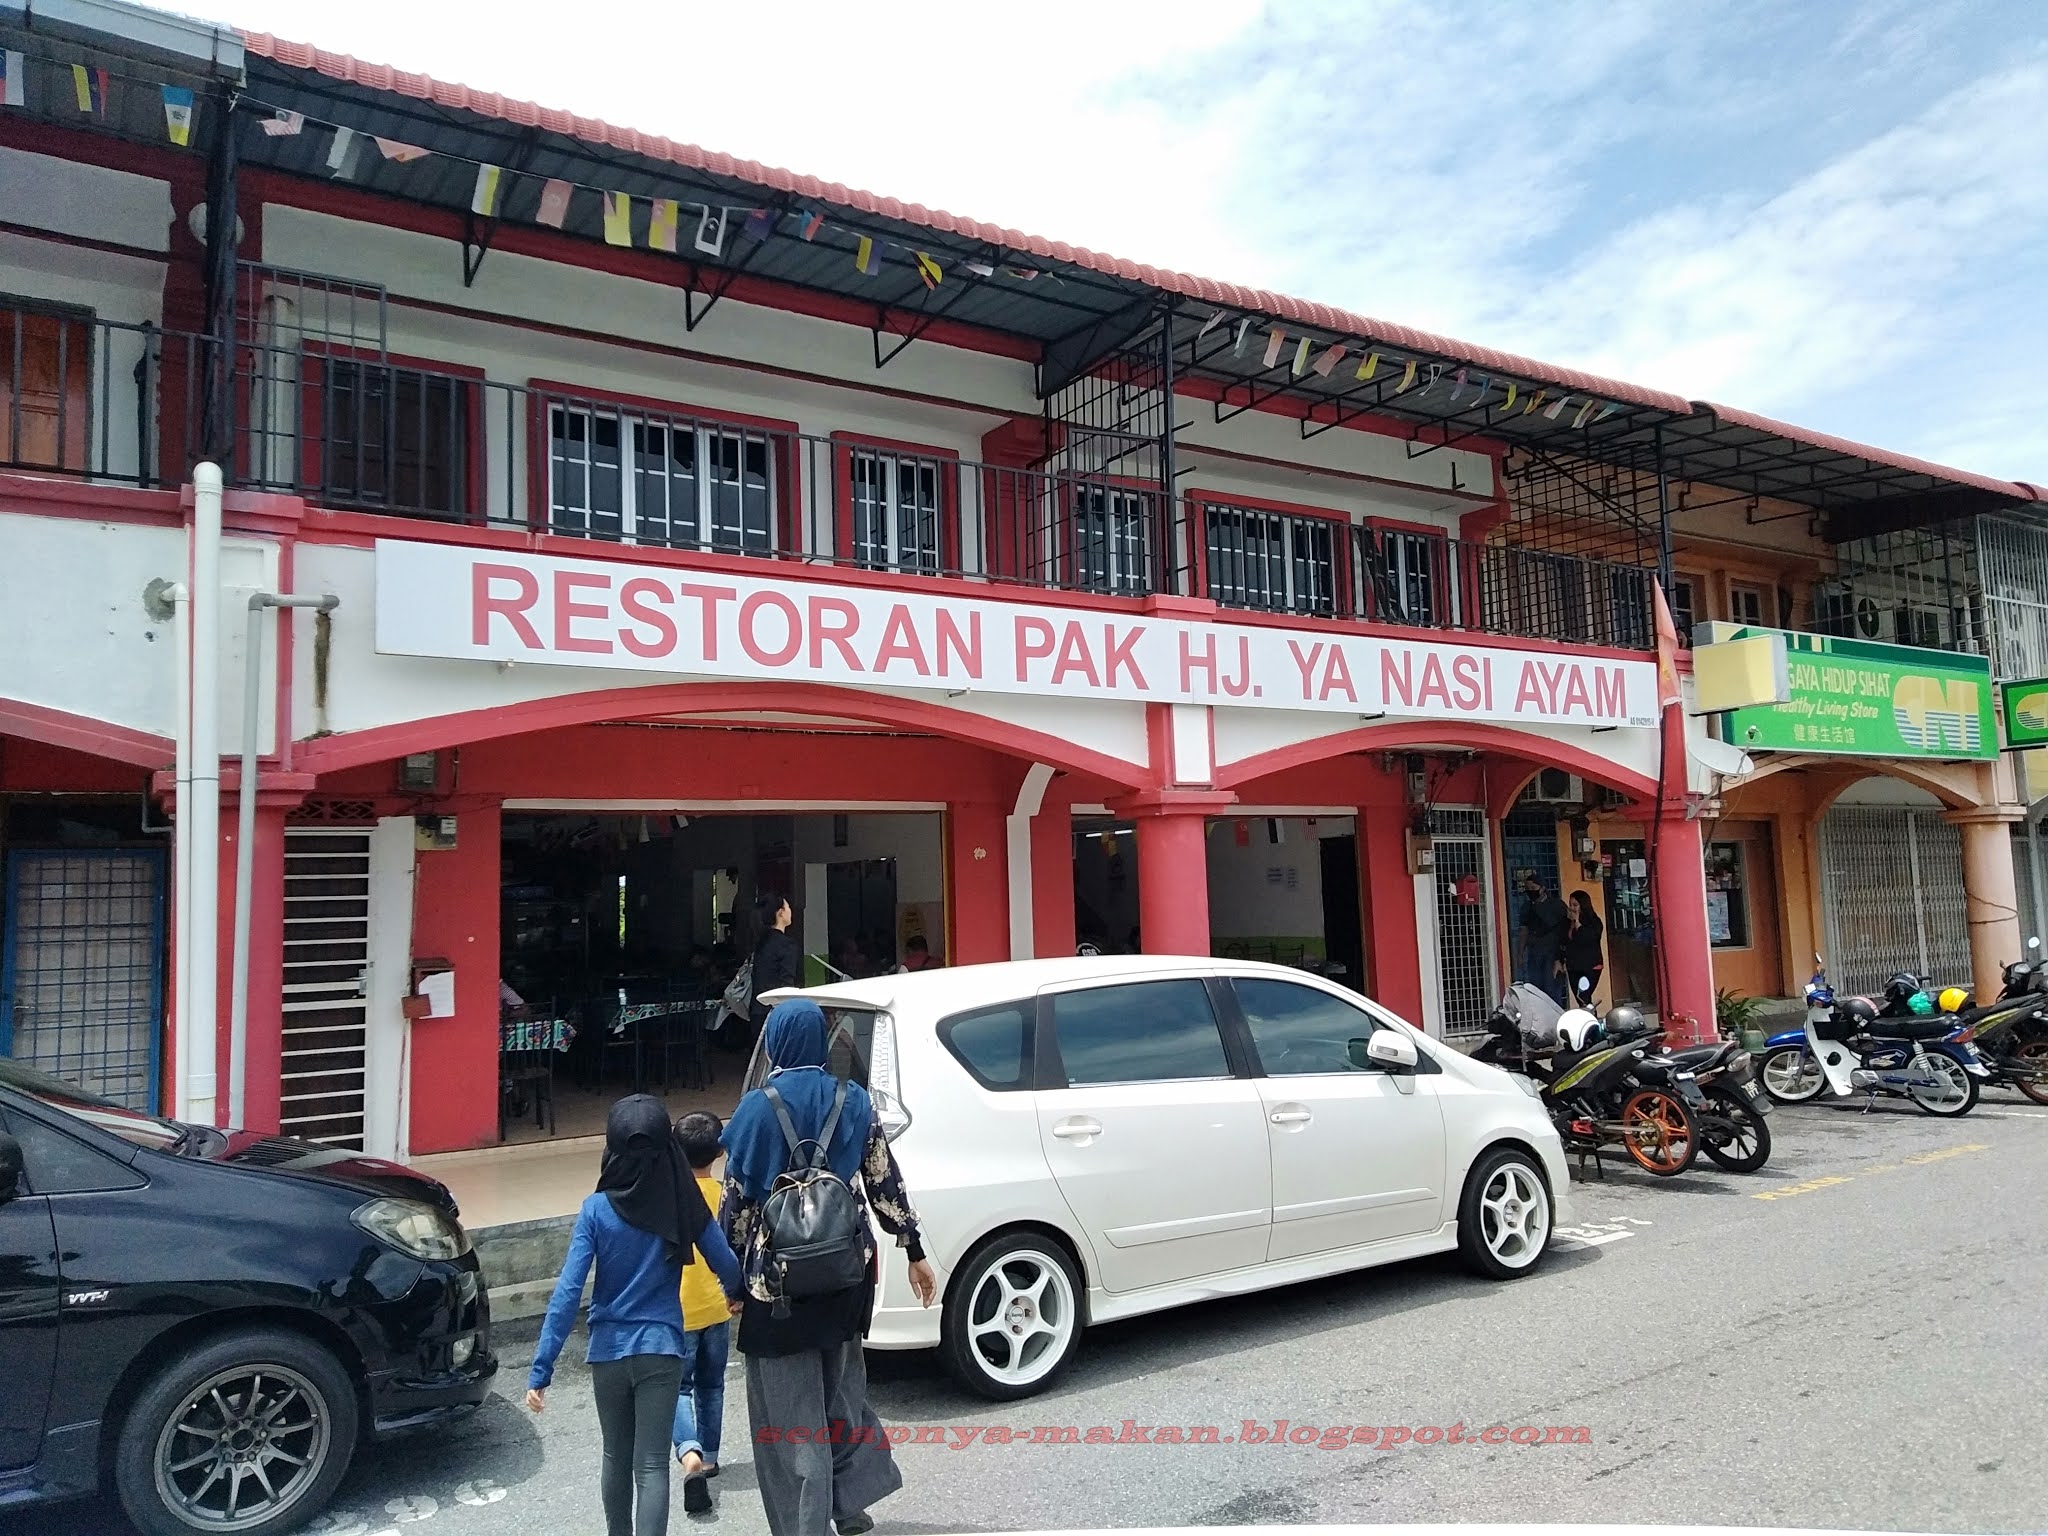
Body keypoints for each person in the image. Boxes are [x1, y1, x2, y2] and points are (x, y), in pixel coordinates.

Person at [720, 1000, 938, 1536]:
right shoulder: (855, 1100)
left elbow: (738, 1210)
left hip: (778, 1291)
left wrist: (734, 1284)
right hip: (847, 1275)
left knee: (790, 1422)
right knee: (842, 1394)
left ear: (775, 1043)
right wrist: (913, 1249)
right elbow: (885, 1182)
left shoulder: (753, 1110)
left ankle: (805, 1527)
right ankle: (850, 1506)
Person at [527, 1096, 745, 1536]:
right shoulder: (683, 1202)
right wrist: (736, 1294)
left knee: (615, 1457)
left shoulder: (596, 1209)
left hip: (607, 1353)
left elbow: (569, 1291)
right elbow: (725, 1262)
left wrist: (541, 1369)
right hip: (663, 1350)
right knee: (650, 1466)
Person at [671, 1111, 733, 1513]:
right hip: (718, 1307)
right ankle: (709, 1457)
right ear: (720, 1151)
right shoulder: (725, 1194)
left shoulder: (668, 1199)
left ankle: (689, 1452)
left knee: (679, 1389)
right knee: (713, 1386)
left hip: (677, 1311)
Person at [747, 892, 802, 1039]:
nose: (791, 911)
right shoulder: (787, 945)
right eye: (788, 907)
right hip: (778, 1014)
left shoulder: (760, 943)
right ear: (781, 913)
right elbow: (787, 984)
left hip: (757, 1011)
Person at [1518, 877, 1572, 1005]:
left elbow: (1566, 930)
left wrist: (1563, 957)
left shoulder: (1557, 905)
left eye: (1533, 888)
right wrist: (1520, 953)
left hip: (1553, 954)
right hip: (1534, 953)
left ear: (1542, 889)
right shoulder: (1527, 907)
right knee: (1535, 990)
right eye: (1527, 889)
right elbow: (1523, 931)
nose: (1530, 891)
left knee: (1552, 989)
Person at [1563, 890, 1606, 1007]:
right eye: (1570, 905)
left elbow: (1587, 938)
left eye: (1575, 905)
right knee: (1580, 998)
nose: (1572, 908)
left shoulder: (1594, 922)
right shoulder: (1567, 922)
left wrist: (1577, 922)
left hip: (1590, 966)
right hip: (1573, 966)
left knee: (1584, 996)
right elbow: (1563, 941)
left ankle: (1591, 1021)